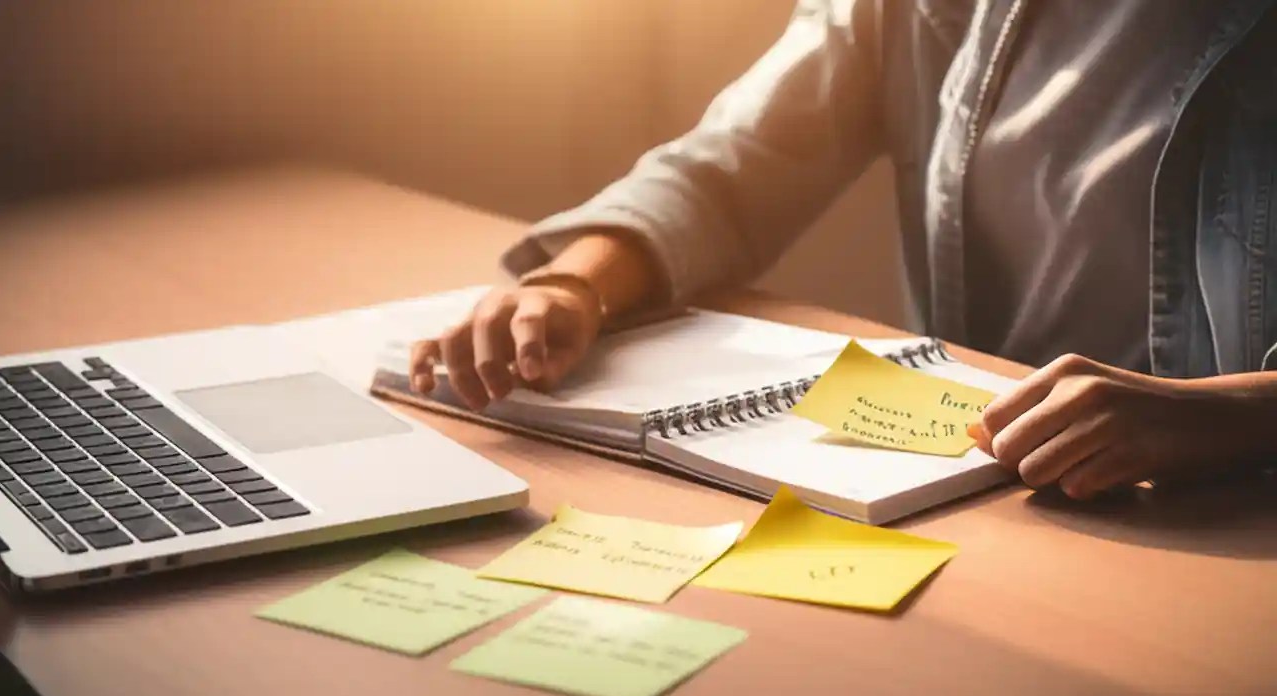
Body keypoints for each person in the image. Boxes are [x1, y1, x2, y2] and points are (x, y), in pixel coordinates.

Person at [410, 1, 1277, 500]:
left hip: (1228, 525)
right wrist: (576, 283)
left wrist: (1226, 417)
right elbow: (739, 162)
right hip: (989, 490)